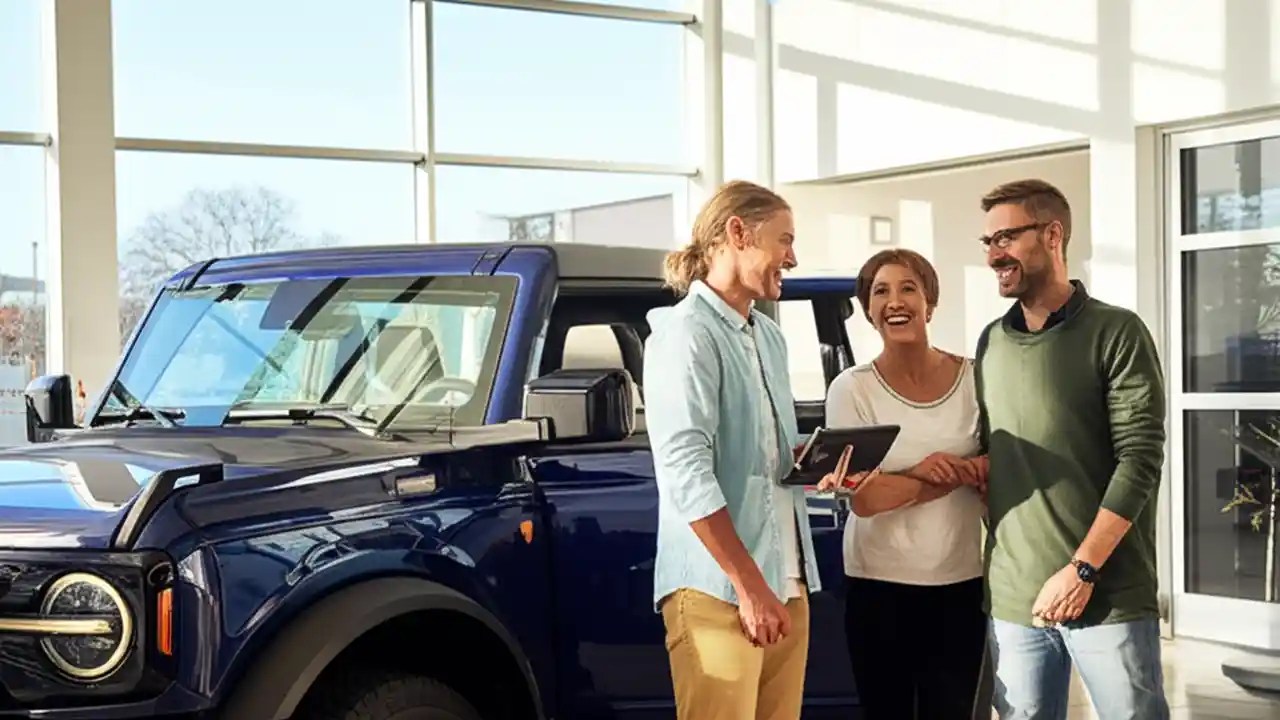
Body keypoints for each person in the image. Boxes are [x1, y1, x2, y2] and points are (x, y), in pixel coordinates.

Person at [974, 178, 1169, 719]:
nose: (994, 255)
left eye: (1005, 238)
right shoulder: (991, 341)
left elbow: (1141, 458)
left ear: (1053, 234)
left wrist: (1082, 570)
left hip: (1107, 596)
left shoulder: (1116, 331)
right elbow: (1000, 454)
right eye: (987, 242)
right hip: (1014, 600)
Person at [643, 179, 823, 720]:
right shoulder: (685, 335)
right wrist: (749, 587)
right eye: (783, 241)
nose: (792, 257)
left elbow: (769, 454)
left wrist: (820, 467)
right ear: (737, 233)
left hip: (786, 585)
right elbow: (686, 473)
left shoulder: (768, 336)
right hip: (719, 592)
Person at [816, 248, 991, 719]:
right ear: (870, 312)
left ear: (930, 304)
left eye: (908, 288)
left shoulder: (978, 379)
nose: (895, 300)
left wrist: (980, 471)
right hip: (878, 589)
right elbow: (867, 500)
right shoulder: (852, 390)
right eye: (881, 291)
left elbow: (999, 470)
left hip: (961, 583)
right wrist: (932, 474)